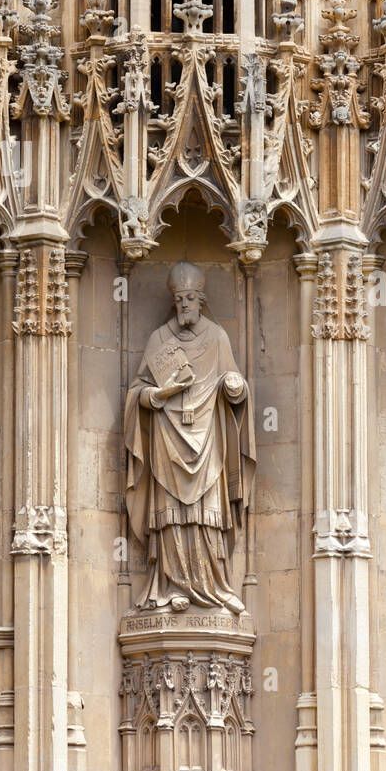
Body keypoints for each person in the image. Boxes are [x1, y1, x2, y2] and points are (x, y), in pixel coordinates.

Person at [124, 261, 256, 614]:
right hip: (167, 438)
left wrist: (235, 388)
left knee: (206, 514)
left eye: (190, 298)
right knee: (171, 516)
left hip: (207, 435)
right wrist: (160, 394)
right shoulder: (159, 340)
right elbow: (138, 391)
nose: (184, 305)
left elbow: (236, 385)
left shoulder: (217, 337)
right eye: (179, 299)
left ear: (201, 299)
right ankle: (170, 586)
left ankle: (214, 585)